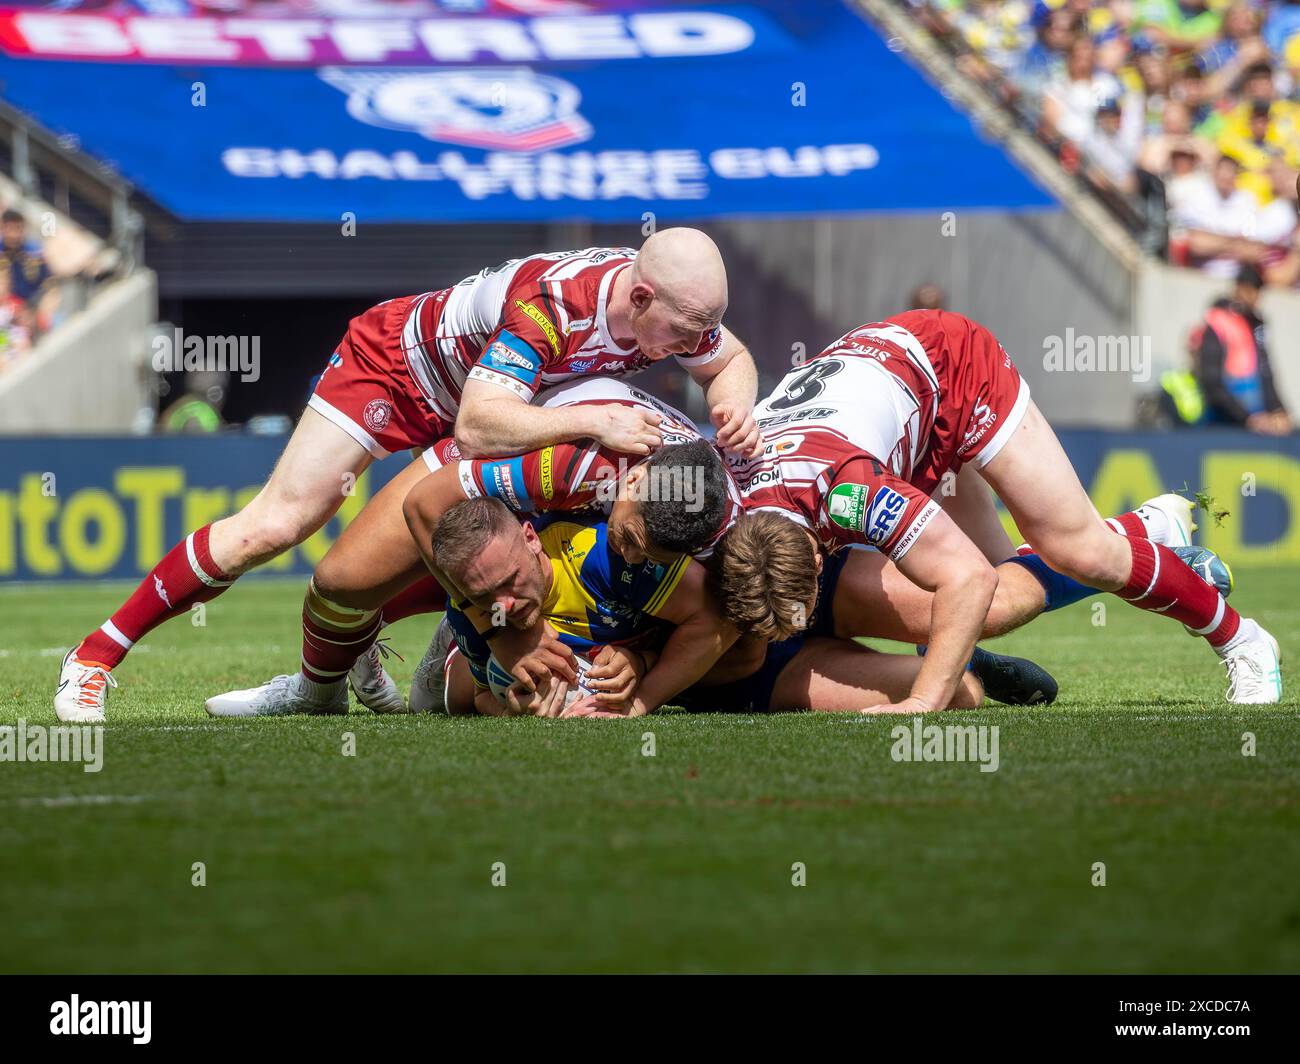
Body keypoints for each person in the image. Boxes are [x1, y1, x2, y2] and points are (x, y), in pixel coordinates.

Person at [56, 231, 763, 723]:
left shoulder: (678, 311)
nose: (692, 349)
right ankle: (93, 658)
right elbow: (479, 426)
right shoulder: (552, 307)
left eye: (703, 331)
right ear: (639, 298)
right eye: (684, 333)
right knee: (276, 526)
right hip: (400, 376)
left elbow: (729, 360)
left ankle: (370, 670)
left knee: (526, 534)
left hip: (508, 413)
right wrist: (594, 425)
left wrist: (734, 407)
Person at [715, 310, 1282, 706]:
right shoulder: (722, 506)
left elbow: (966, 580)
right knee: (1009, 588)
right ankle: (1145, 529)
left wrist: (924, 700)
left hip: (954, 370)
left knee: (1076, 552)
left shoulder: (848, 492)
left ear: (818, 561)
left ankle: (1242, 640)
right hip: (883, 391)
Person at [1192, 264, 1293, 434]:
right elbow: (1212, 381)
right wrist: (1247, 418)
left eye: (1255, 291)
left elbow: (1265, 373)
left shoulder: (1256, 325)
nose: (1251, 297)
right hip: (1225, 423)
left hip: (1256, 422)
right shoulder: (1217, 321)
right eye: (1247, 289)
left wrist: (1278, 411)